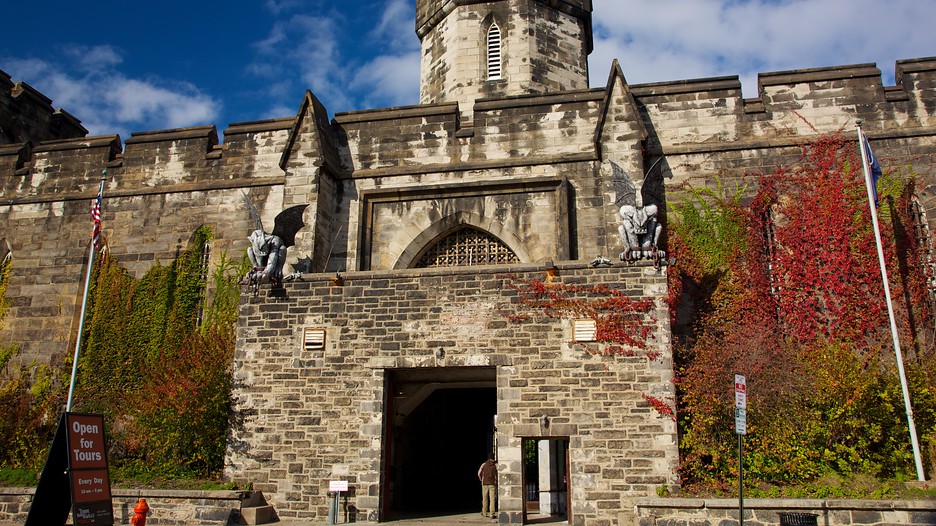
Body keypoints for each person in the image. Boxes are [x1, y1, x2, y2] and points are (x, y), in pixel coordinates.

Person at [478, 454, 498, 519]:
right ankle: (492, 514)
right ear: (493, 458)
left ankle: (484, 512)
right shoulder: (496, 465)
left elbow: (479, 473)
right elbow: (498, 473)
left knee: (485, 498)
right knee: (492, 499)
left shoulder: (483, 464)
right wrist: (496, 480)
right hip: (492, 483)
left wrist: (481, 480)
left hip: (484, 483)